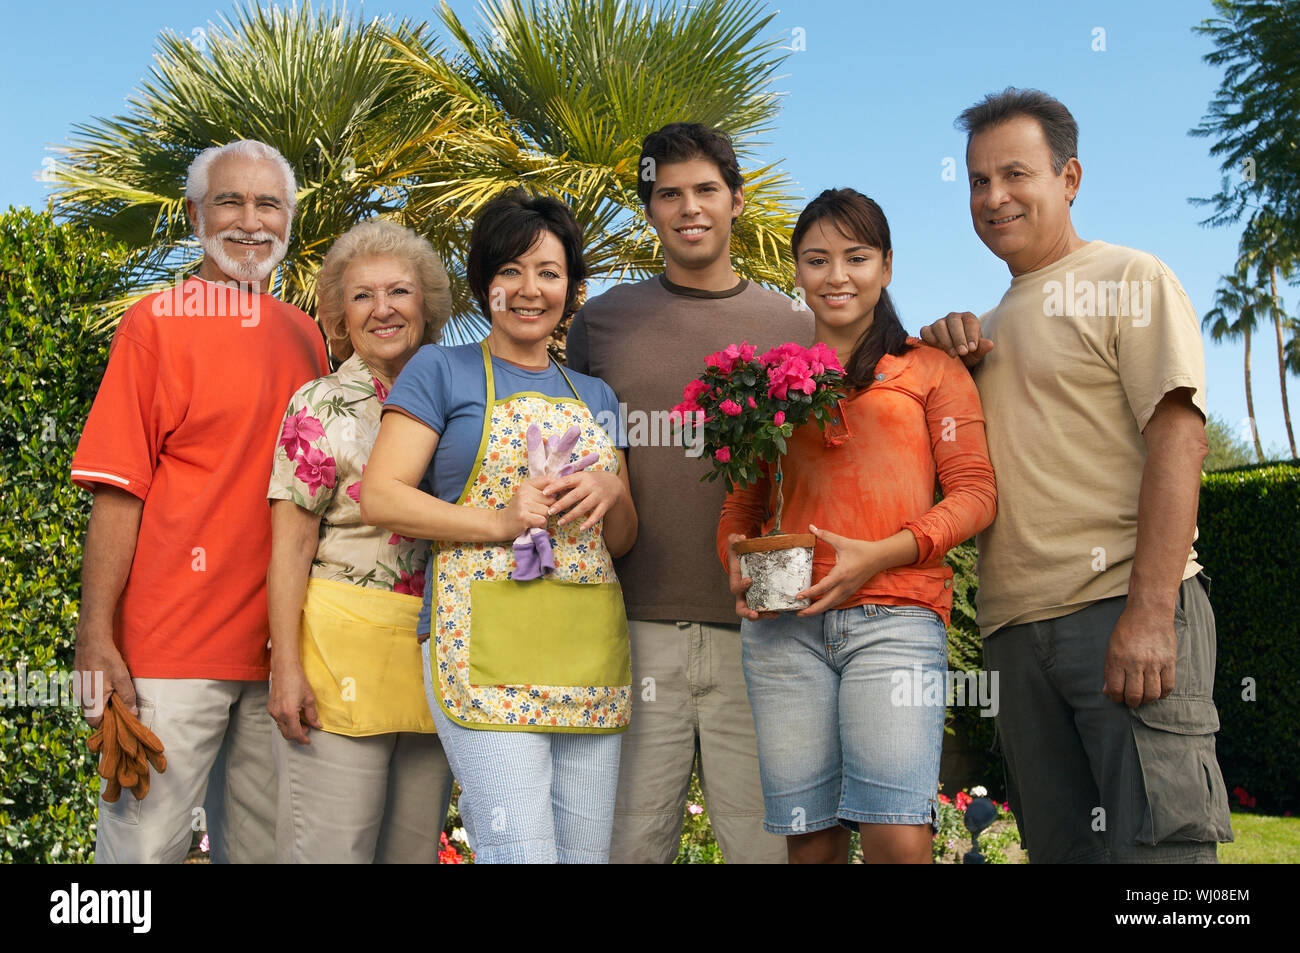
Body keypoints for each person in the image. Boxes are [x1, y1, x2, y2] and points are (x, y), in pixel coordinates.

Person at [920, 88, 1233, 863]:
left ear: (1070, 178)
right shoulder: (979, 336)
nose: (994, 197)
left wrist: (1152, 613)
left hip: (1123, 612)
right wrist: (938, 365)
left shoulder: (1130, 277)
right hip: (1014, 639)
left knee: (1162, 864)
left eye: (1015, 174)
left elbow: (1178, 444)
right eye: (977, 180)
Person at [717, 189, 997, 864]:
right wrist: (733, 559)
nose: (836, 275)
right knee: (809, 843)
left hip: (897, 620)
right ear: (796, 273)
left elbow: (976, 493)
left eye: (857, 256)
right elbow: (742, 507)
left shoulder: (931, 369)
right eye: (817, 259)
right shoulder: (769, 382)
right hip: (785, 625)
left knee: (897, 834)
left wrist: (879, 554)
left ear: (887, 267)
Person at [70, 139, 330, 863]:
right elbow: (118, 489)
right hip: (168, 652)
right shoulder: (153, 324)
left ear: (288, 221)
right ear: (195, 216)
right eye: (230, 201)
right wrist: (96, 634)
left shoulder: (306, 335)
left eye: (268, 203)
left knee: (264, 853)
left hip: (280, 653)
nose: (250, 220)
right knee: (139, 855)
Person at [360, 188, 636, 863]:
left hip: (585, 648)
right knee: (517, 848)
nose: (529, 289)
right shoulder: (441, 369)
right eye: (510, 270)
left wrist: (610, 489)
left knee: (584, 856)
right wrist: (499, 520)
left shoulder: (594, 395)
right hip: (479, 641)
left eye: (549, 272)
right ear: (484, 282)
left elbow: (622, 538)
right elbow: (381, 495)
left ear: (571, 287)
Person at [566, 122, 810, 864]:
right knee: (629, 845)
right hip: (632, 625)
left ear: (737, 201)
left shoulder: (796, 322)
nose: (689, 207)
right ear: (651, 210)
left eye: (706, 189)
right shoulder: (600, 324)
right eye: (668, 193)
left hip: (765, 625)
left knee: (765, 849)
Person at [266, 220, 456, 862]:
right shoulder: (317, 405)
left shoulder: (462, 405)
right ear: (340, 318)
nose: (383, 309)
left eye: (399, 292)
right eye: (362, 296)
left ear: (426, 306)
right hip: (336, 655)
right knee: (332, 851)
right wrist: (284, 668)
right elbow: (289, 548)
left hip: (437, 655)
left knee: (412, 853)